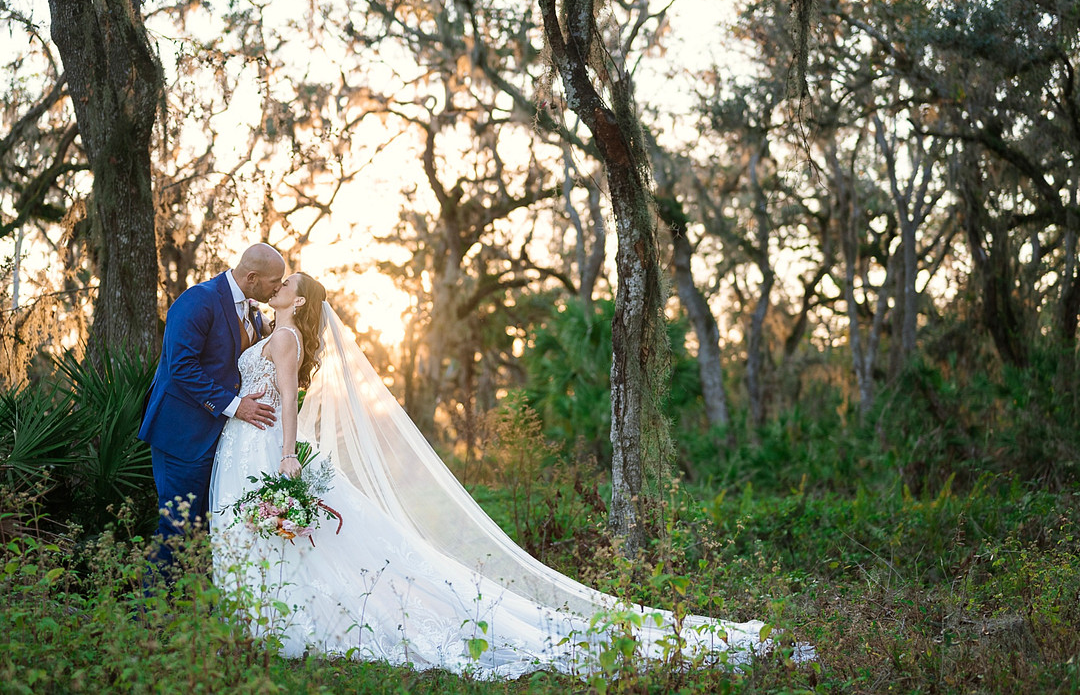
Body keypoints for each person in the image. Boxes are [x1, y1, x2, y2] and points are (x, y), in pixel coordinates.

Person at [210, 274, 810, 678]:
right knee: (297, 543)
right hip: (247, 447)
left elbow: (289, 400)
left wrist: (289, 457)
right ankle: (270, 616)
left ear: (298, 300)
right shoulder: (269, 332)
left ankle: (289, 619)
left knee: (318, 542)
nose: (276, 285)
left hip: (270, 448)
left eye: (285, 282)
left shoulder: (284, 336)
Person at [139, 243, 286, 575]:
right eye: (274, 281)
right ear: (252, 277)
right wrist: (236, 407)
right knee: (177, 527)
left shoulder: (255, 312)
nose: (278, 287)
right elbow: (182, 367)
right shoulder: (198, 301)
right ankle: (146, 617)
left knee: (206, 528)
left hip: (218, 439)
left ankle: (191, 608)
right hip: (181, 434)